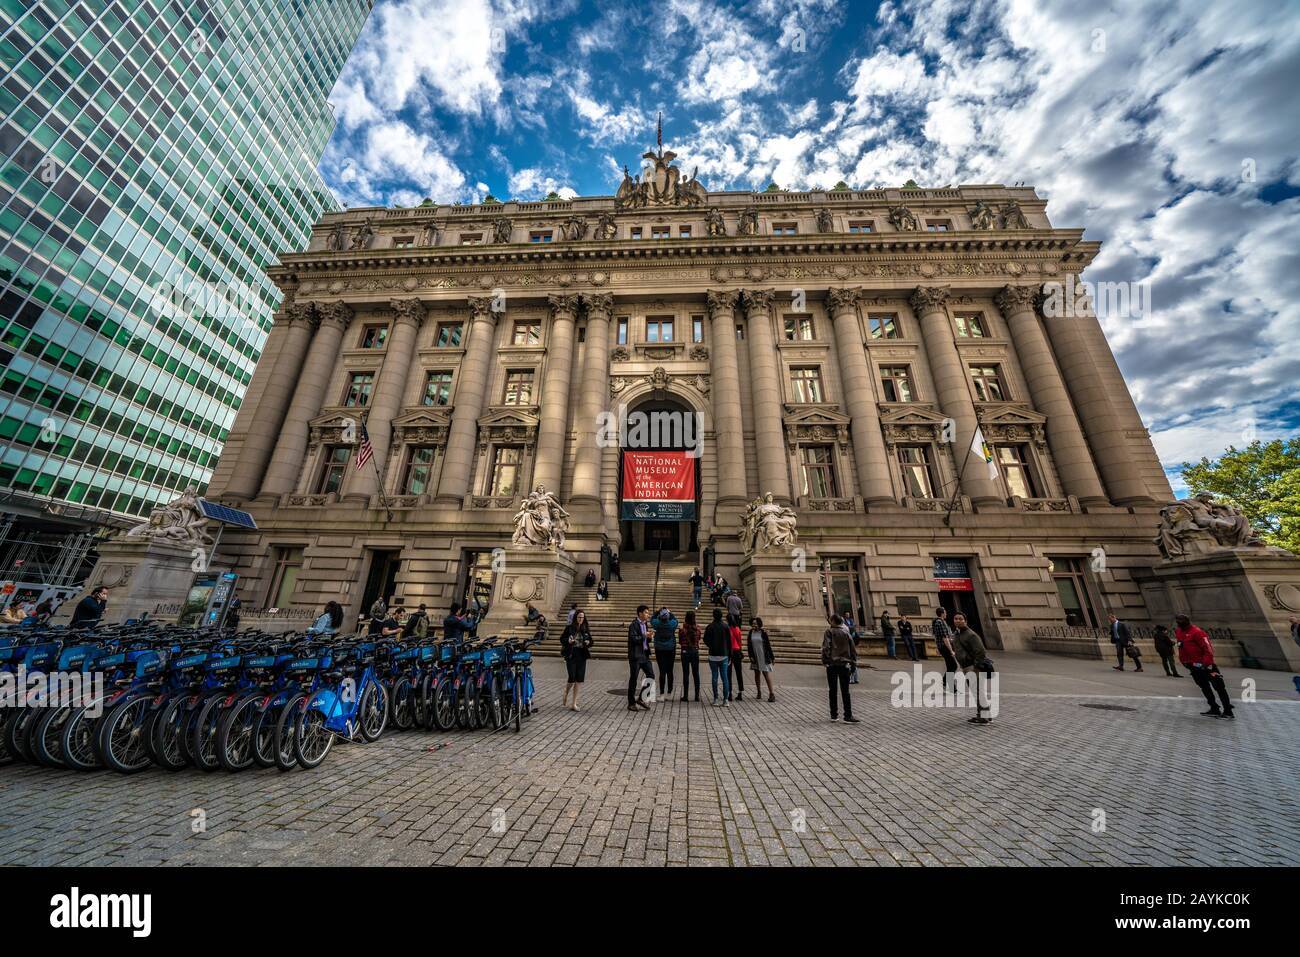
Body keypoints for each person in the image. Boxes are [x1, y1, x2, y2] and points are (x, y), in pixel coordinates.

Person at [1176, 615, 1234, 718]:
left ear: (1187, 621)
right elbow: (1181, 647)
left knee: (1219, 687)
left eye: (1181, 620)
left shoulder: (1197, 632)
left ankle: (1228, 710)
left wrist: (1206, 663)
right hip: (1193, 665)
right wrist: (1184, 661)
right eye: (1178, 621)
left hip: (1206, 665)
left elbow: (1208, 649)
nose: (1179, 622)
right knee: (1204, 687)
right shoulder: (1179, 632)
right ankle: (1214, 707)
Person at [951, 612, 993, 724]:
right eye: (956, 619)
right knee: (976, 691)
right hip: (965, 666)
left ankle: (983, 716)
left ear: (965, 621)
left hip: (972, 667)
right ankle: (984, 714)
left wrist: (976, 666)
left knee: (978, 691)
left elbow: (981, 651)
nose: (958, 620)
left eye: (960, 619)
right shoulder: (958, 634)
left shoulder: (971, 635)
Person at [821, 614, 858, 723]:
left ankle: (834, 715)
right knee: (845, 691)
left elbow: (826, 647)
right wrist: (853, 665)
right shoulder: (846, 633)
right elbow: (853, 651)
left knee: (833, 690)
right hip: (844, 665)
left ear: (832, 621)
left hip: (832, 665)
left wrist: (825, 661)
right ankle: (848, 715)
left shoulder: (829, 632)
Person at [560, 609, 593, 711]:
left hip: (582, 655)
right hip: (571, 654)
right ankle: (566, 691)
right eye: (579, 617)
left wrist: (588, 642)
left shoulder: (585, 628)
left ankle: (574, 704)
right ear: (575, 618)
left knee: (579, 680)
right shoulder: (569, 628)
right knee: (572, 676)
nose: (581, 619)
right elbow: (562, 639)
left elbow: (591, 641)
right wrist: (568, 641)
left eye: (582, 617)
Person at [627, 605, 654, 711]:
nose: (648, 615)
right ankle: (631, 703)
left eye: (648, 613)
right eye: (646, 612)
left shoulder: (645, 624)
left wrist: (649, 637)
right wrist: (644, 636)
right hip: (635, 656)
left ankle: (641, 699)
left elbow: (644, 639)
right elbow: (633, 639)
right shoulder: (633, 625)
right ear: (640, 613)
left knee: (651, 675)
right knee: (634, 678)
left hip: (645, 654)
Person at [703, 608, 732, 706]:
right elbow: (729, 642)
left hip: (713, 655)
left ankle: (715, 698)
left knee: (714, 677)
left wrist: (711, 645)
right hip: (724, 654)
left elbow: (705, 639)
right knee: (725, 678)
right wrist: (730, 654)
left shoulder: (710, 626)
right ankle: (726, 699)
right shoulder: (726, 626)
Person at [747, 616, 776, 702]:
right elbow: (749, 646)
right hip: (755, 657)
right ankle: (759, 691)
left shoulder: (763, 633)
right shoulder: (750, 632)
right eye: (752, 624)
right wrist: (750, 656)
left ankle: (771, 694)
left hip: (763, 656)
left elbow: (768, 645)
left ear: (759, 624)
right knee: (757, 675)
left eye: (755, 624)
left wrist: (772, 657)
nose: (754, 625)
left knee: (766, 675)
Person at [652, 607, 679, 698]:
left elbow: (652, 618)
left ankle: (662, 693)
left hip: (659, 649)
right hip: (671, 648)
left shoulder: (657, 624)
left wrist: (657, 611)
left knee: (662, 671)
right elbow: (675, 619)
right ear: (667, 617)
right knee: (670, 670)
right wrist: (669, 612)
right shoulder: (672, 624)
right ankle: (669, 692)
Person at [932, 607, 959, 692]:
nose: (946, 613)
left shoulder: (937, 622)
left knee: (950, 666)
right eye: (945, 612)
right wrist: (951, 650)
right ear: (942, 613)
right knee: (954, 666)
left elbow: (939, 636)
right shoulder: (940, 622)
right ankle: (946, 683)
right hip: (945, 647)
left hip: (942, 646)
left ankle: (950, 687)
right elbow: (945, 638)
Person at [678, 610, 702, 701]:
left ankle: (686, 695)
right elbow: (699, 639)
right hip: (695, 651)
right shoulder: (698, 628)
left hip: (685, 652)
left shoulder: (682, 628)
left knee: (686, 673)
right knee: (696, 674)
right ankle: (697, 696)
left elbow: (680, 641)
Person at [728, 618, 745, 701]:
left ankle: (729, 693)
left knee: (729, 673)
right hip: (737, 651)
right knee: (739, 672)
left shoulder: (728, 629)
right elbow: (739, 641)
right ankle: (740, 692)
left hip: (730, 652)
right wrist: (741, 650)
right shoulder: (737, 628)